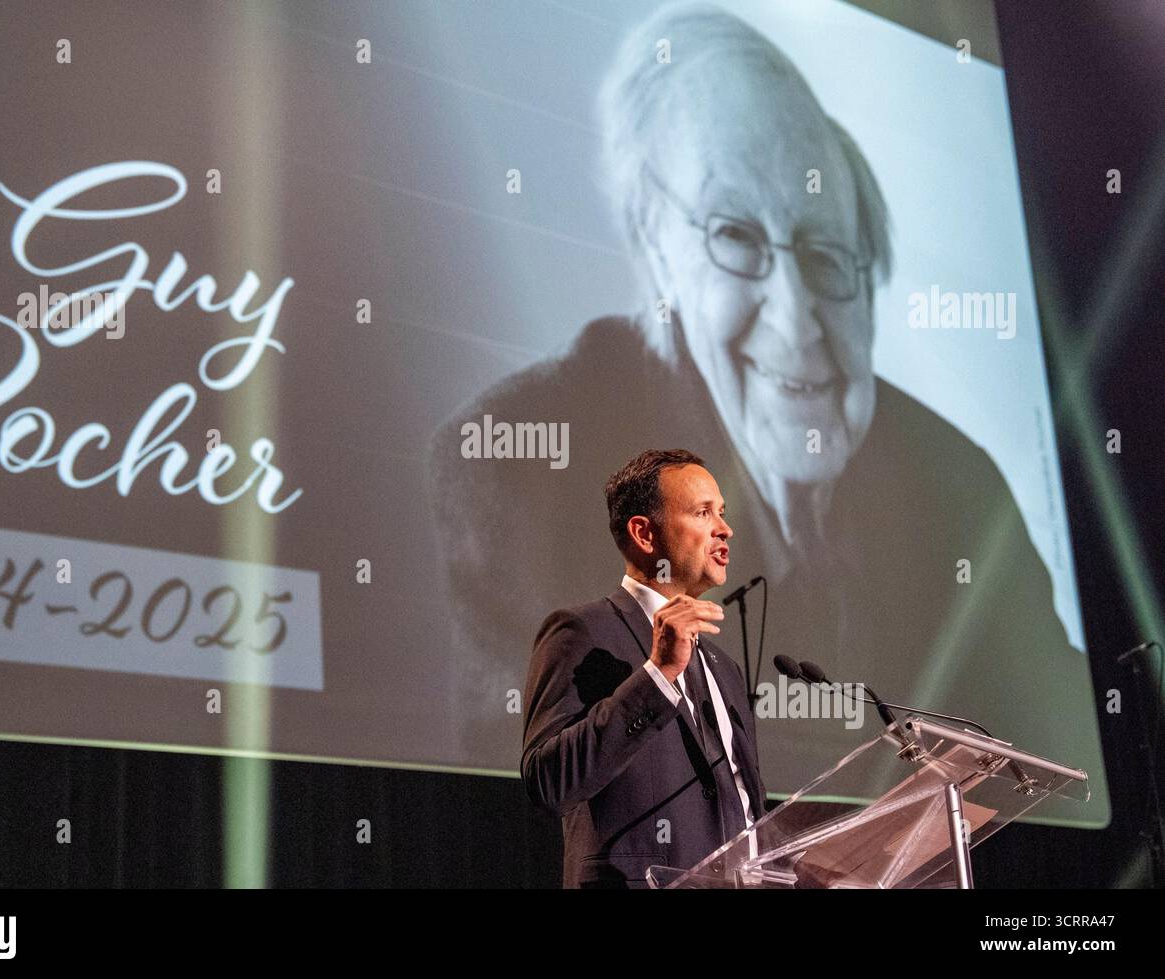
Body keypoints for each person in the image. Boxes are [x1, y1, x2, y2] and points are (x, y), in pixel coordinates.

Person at [429, 2, 1100, 811]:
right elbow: (539, 787)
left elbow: (1056, 750)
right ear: (655, 247)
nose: (796, 318)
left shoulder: (958, 482)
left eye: (826, 255)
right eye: (738, 238)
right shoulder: (513, 469)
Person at [522, 448, 766, 888]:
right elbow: (549, 781)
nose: (725, 529)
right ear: (644, 533)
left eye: (722, 513)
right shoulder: (583, 632)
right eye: (703, 512)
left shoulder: (724, 668)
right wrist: (658, 674)